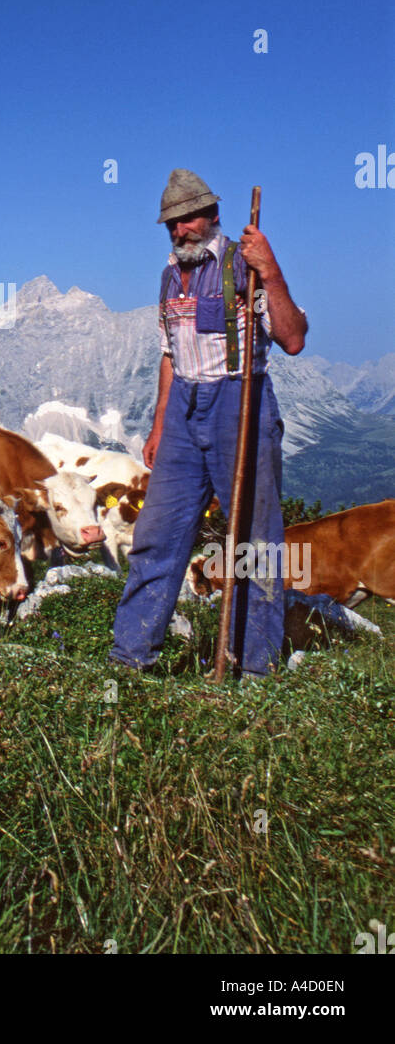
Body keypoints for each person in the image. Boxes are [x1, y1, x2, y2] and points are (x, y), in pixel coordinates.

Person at [109, 169, 308, 678]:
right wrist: (158, 424)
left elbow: (293, 338)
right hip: (183, 410)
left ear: (213, 216)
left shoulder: (247, 266)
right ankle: (131, 660)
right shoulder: (170, 275)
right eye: (171, 223)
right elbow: (169, 354)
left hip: (240, 398)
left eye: (188, 218)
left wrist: (273, 268)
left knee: (253, 540)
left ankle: (256, 670)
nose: (179, 230)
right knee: (156, 534)